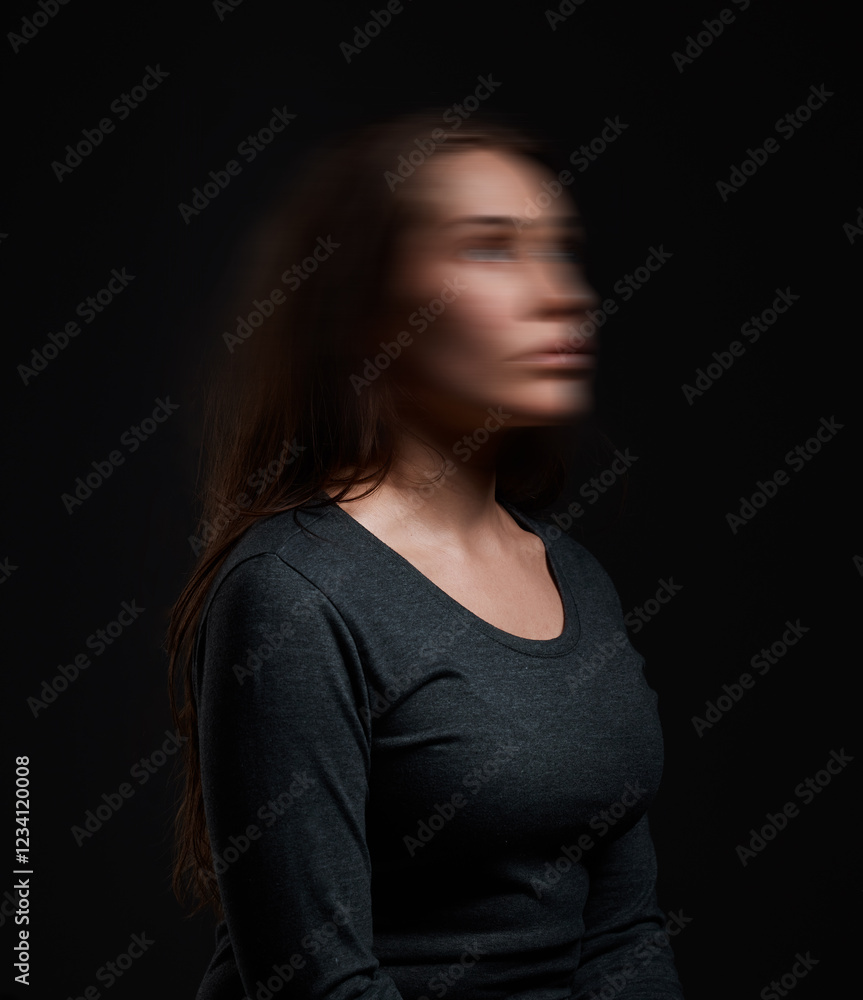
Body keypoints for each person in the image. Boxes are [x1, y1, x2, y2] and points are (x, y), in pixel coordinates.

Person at [166, 110, 686, 1000]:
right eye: (490, 248)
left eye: (559, 249)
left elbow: (624, 938)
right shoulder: (292, 592)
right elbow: (317, 985)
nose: (563, 292)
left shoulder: (578, 583)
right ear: (368, 313)